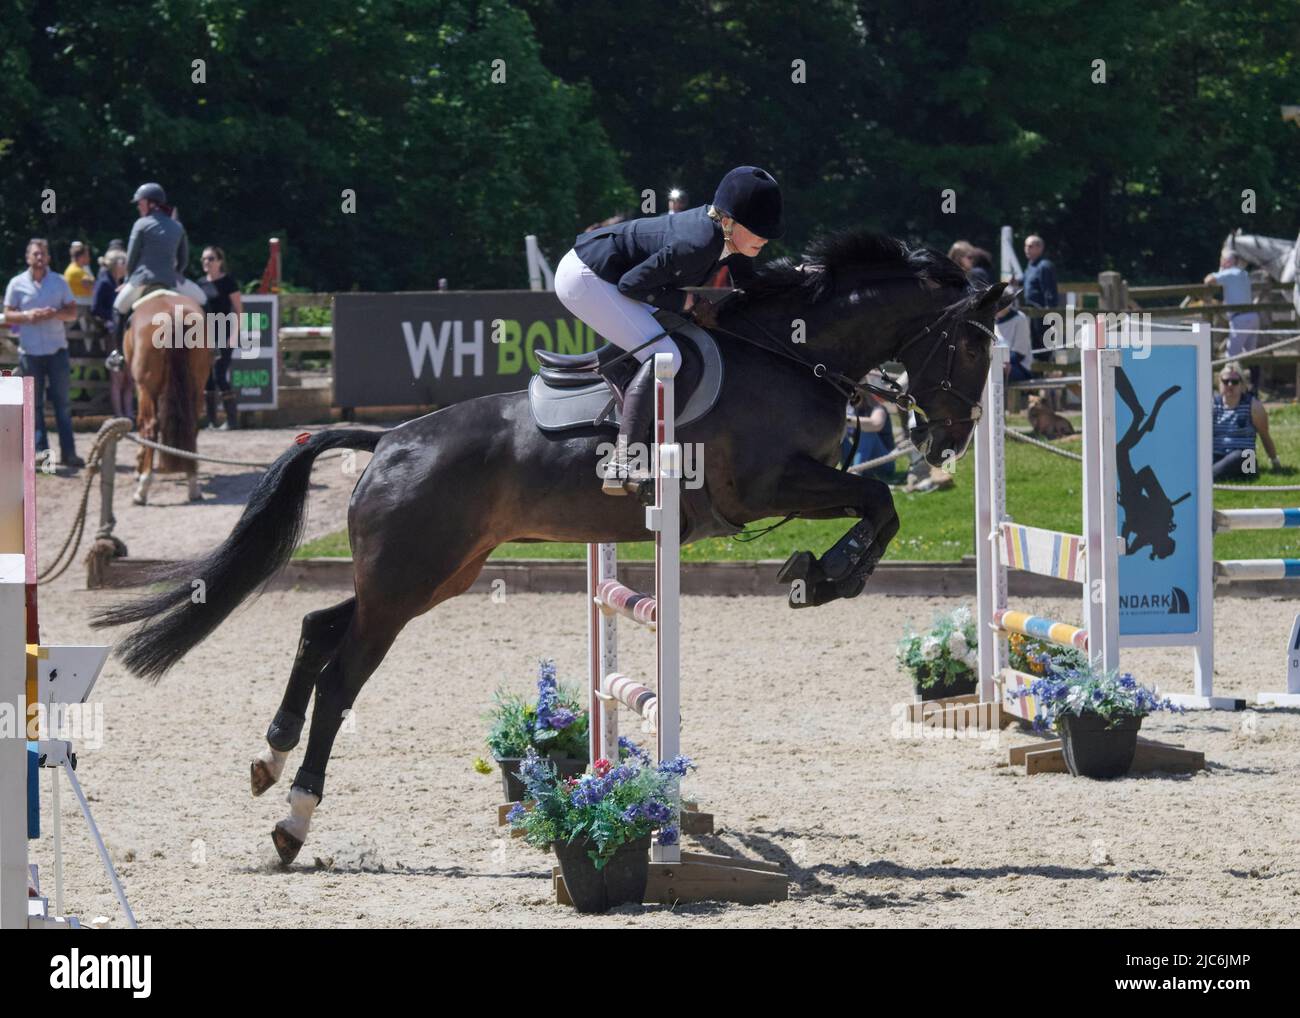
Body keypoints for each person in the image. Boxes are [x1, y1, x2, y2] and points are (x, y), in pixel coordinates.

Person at [556, 165, 782, 494]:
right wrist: (688, 302)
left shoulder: (730, 240)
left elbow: (752, 287)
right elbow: (631, 285)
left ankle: (623, 383)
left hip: (612, 276)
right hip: (587, 277)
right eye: (757, 229)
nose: (765, 237)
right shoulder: (697, 243)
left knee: (676, 338)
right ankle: (623, 460)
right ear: (728, 221)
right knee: (666, 356)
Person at [3, 239, 84, 467]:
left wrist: (54, 314)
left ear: (48, 258)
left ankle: (69, 453)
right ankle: (41, 454)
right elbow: (8, 315)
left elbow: (72, 312)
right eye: (35, 254)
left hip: (56, 350)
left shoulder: (59, 282)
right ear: (28, 257)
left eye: (43, 254)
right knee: (34, 405)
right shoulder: (16, 284)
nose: (39, 258)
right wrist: (28, 316)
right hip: (30, 352)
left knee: (62, 404)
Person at [109, 182, 207, 363]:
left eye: (140, 202)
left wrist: (128, 280)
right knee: (202, 301)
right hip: (172, 280)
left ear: (151, 203)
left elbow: (131, 258)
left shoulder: (141, 224)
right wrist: (175, 274)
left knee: (118, 308)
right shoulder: (177, 227)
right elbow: (183, 258)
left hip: (143, 280)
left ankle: (117, 354)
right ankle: (212, 346)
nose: (138, 206)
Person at [199, 245, 244, 429]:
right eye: (204, 259)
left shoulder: (228, 282)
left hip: (224, 332)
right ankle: (211, 420)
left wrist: (233, 336)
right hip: (204, 335)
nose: (206, 262)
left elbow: (239, 311)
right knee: (207, 378)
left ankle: (232, 420)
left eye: (210, 258)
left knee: (219, 375)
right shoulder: (200, 283)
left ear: (219, 261)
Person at [1212, 361, 1281, 479]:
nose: (1230, 385)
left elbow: (1265, 436)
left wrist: (1275, 461)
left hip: (1245, 460)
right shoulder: (1213, 405)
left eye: (1234, 382)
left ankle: (1209, 477)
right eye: (1225, 381)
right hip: (1219, 455)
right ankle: (1213, 474)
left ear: (1242, 385)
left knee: (1239, 456)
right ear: (1219, 383)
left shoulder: (1253, 406)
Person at [1204, 252, 1260, 391]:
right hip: (1253, 317)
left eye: (1222, 260)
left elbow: (1208, 280)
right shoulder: (1243, 273)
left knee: (1230, 357)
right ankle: (1254, 388)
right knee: (1251, 354)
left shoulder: (1228, 274)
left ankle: (1229, 388)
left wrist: (1220, 269)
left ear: (1227, 262)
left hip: (1240, 319)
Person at [92, 248, 134, 422]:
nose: (125, 266)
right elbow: (95, 308)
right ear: (115, 264)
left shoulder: (125, 283)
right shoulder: (104, 282)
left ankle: (129, 414)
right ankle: (119, 415)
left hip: (126, 334)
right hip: (112, 334)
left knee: (129, 377)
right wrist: (111, 318)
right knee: (117, 377)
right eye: (123, 262)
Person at [841, 389, 897, 482]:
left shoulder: (878, 408)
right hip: (862, 465)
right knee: (838, 436)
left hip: (884, 464)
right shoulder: (852, 410)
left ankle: (856, 475)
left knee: (867, 431)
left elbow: (876, 424)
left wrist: (846, 419)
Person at [1021, 234, 1058, 361]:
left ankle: (1046, 369)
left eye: (1030, 246)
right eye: (1026, 246)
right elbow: (1027, 282)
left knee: (1043, 342)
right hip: (1031, 311)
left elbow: (1049, 292)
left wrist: (1049, 313)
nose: (1026, 249)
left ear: (1039, 248)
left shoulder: (1044, 266)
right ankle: (1038, 371)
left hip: (1041, 312)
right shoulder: (1030, 265)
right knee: (1034, 341)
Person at [994, 298, 1033, 384]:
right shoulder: (991, 321)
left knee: (996, 370)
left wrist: (998, 362)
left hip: (1019, 367)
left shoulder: (1020, 319)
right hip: (997, 364)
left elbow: (1019, 354)